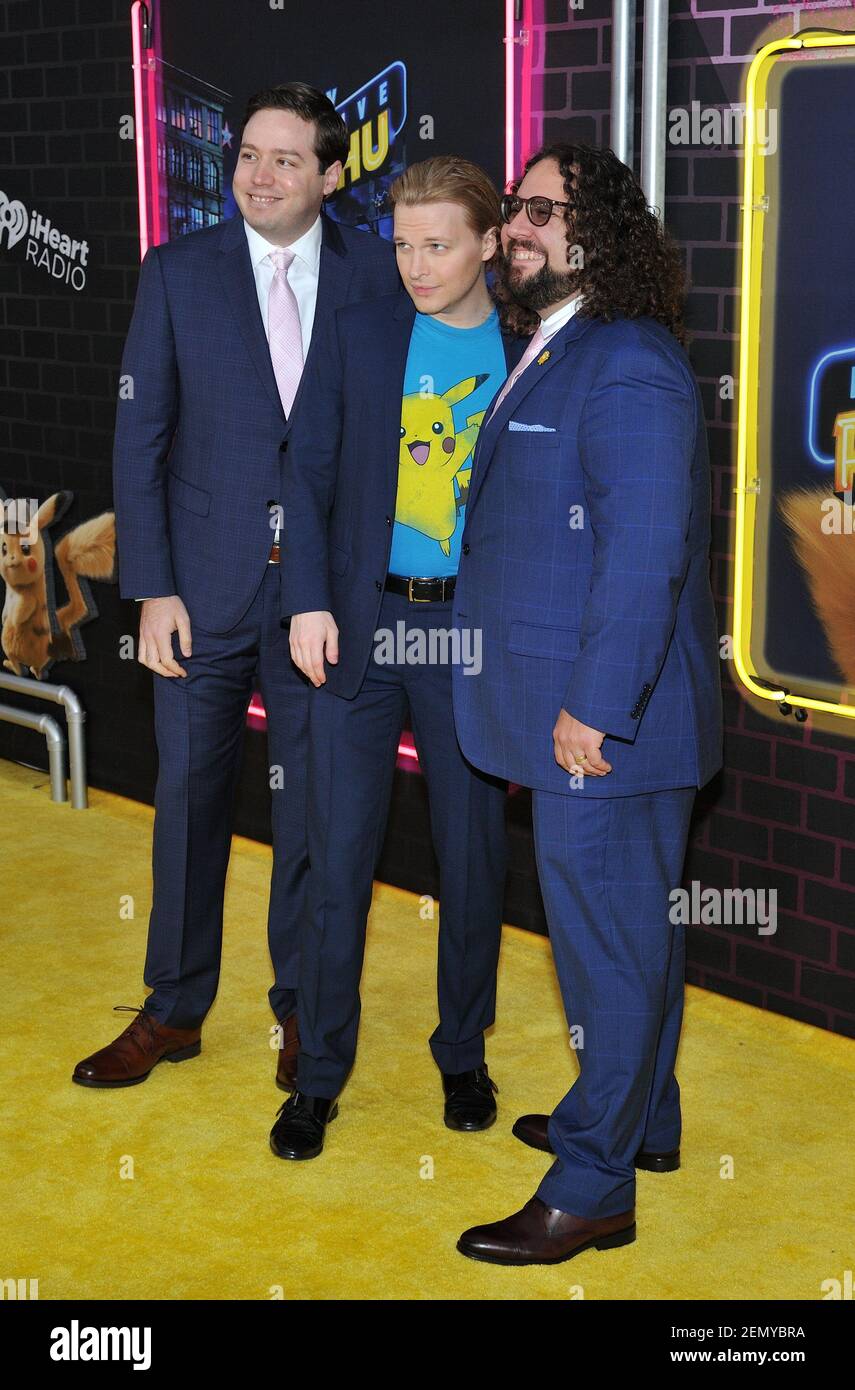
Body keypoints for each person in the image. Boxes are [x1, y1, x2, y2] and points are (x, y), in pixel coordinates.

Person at [74, 84, 399, 1091]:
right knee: (188, 798)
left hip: (321, 597)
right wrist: (153, 586)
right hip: (201, 586)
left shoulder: (379, 276)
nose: (257, 176)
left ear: (333, 174)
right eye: (247, 155)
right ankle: (173, 1006)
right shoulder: (179, 272)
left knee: (311, 808)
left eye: (285, 160)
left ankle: (301, 1007)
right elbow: (143, 436)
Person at [451, 142, 724, 1264]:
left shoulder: (628, 361)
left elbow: (647, 551)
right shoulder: (557, 349)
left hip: (608, 725)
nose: (517, 226)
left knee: (605, 951)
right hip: (588, 713)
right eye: (512, 207)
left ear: (598, 230)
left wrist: (594, 711)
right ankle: (635, 1118)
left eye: (542, 210)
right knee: (630, 938)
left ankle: (593, 1187)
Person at [271, 156, 527, 1160]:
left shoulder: (529, 351)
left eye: (438, 244)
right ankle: (318, 1071)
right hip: (361, 624)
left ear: (489, 243)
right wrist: (304, 602)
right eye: (403, 243)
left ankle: (462, 1048)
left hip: (468, 635)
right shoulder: (363, 333)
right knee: (336, 855)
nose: (415, 265)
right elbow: (306, 467)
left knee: (473, 859)